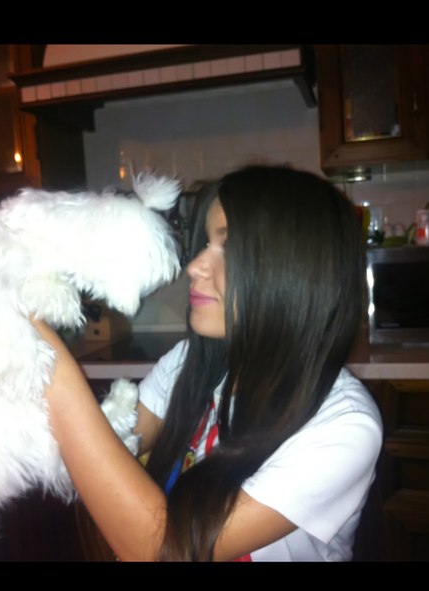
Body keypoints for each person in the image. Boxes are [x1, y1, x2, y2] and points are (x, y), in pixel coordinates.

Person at [33, 164, 383, 562]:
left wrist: (43, 353)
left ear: (296, 274)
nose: (195, 266)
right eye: (205, 244)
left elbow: (163, 550)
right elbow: (102, 451)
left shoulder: (344, 423)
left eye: (228, 248)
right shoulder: (188, 363)